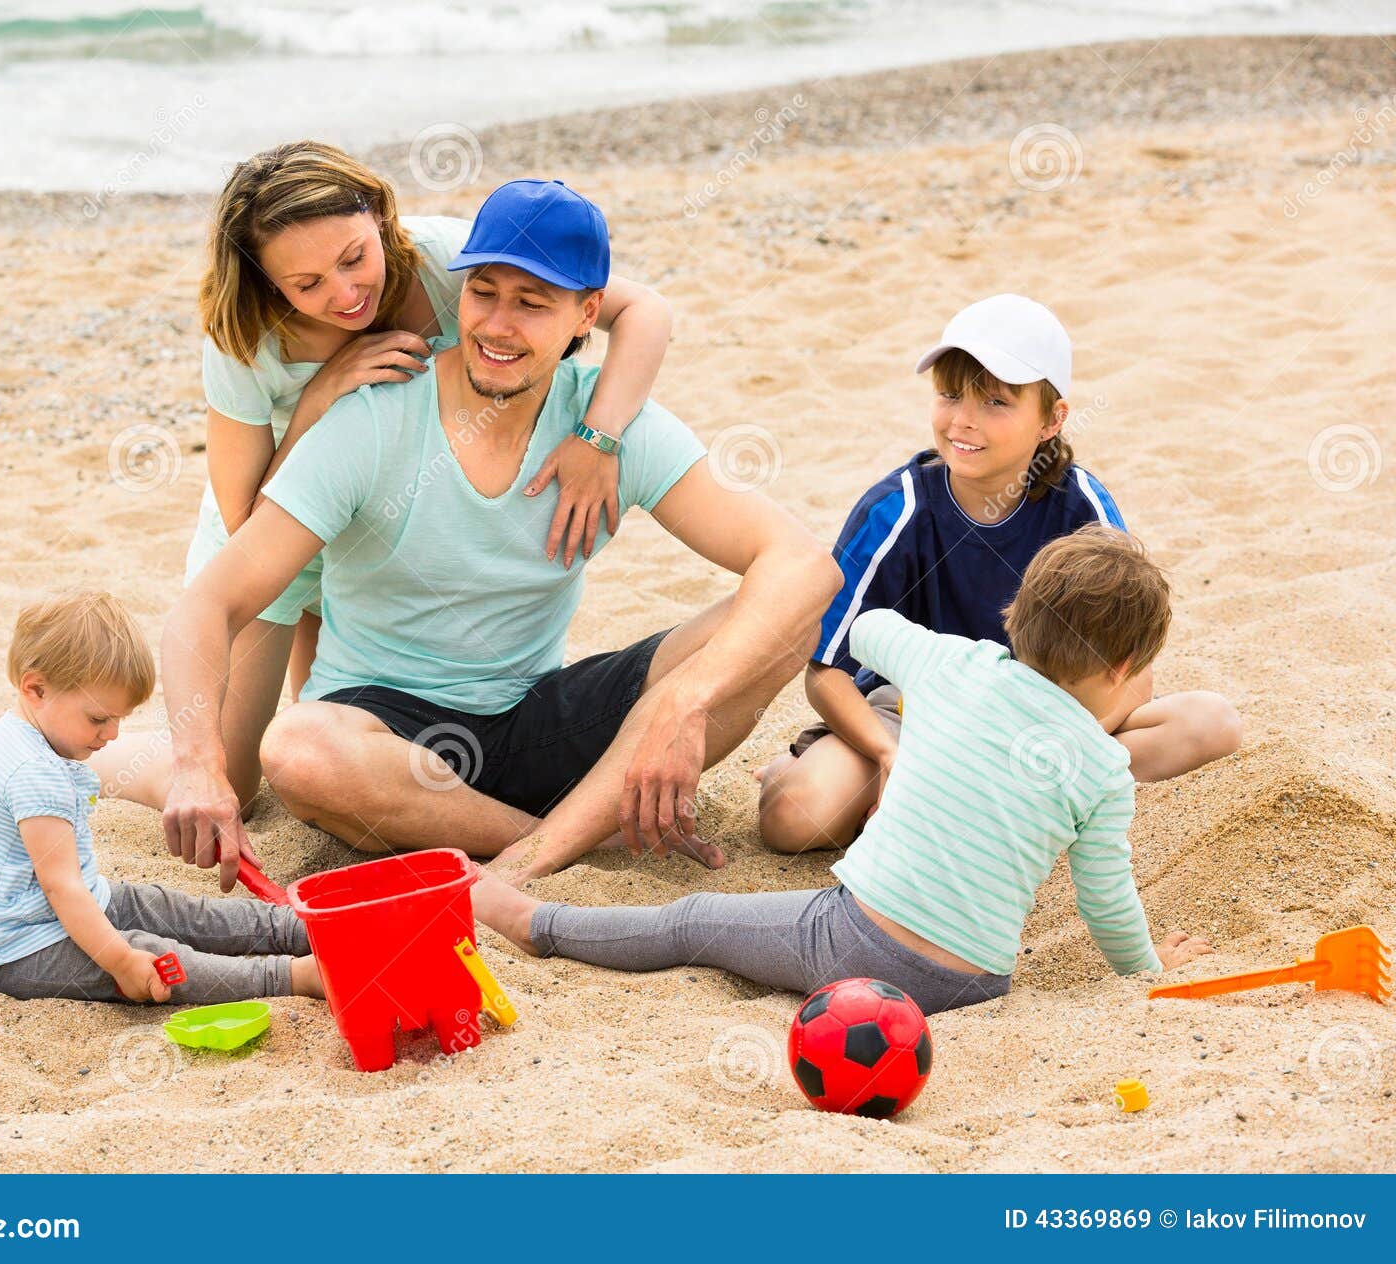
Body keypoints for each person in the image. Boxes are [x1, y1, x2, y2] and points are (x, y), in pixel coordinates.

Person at [157, 178, 841, 891]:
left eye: (532, 304)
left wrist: (682, 703)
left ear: (587, 315)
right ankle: (547, 846)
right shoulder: (372, 418)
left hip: (536, 714)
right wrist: (199, 766)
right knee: (298, 748)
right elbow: (207, 603)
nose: (498, 326)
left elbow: (802, 563)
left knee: (781, 619)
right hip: (391, 734)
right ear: (459, 293)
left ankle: (549, 838)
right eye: (484, 294)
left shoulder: (606, 428)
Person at [92, 141, 677, 818]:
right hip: (284, 542)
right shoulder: (244, 338)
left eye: (353, 259)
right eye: (306, 285)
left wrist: (596, 437)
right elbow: (246, 528)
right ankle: (91, 757)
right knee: (237, 783)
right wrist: (322, 397)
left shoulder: (446, 260)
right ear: (267, 280)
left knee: (349, 765)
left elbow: (645, 312)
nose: (345, 295)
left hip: (383, 531)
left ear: (379, 215)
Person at [472, 527, 1216, 1014]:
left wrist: (934, 661)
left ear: (1015, 619)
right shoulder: (1104, 768)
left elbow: (866, 629)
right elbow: (1106, 900)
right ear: (1125, 668)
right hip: (975, 986)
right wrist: (1146, 969)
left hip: (852, 942)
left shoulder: (956, 663)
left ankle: (537, 923)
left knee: (692, 922)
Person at [757, 294, 1241, 855]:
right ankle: (802, 770)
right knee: (795, 818)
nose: (963, 419)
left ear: (1052, 419)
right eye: (949, 393)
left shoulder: (1080, 507)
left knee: (1212, 724)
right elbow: (825, 671)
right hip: (912, 720)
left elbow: (1131, 665)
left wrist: (1052, 745)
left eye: (995, 402)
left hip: (1042, 718)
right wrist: (892, 757)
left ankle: (984, 798)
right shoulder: (897, 510)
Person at [0, 592, 319, 1004]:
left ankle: (294, 927)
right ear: (36, 689)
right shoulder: (32, 771)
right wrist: (120, 960)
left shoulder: (30, 739)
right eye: (98, 718)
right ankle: (293, 976)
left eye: (118, 719)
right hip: (13, 946)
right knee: (153, 957)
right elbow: (61, 888)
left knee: (160, 906)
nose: (113, 734)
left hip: (50, 910)